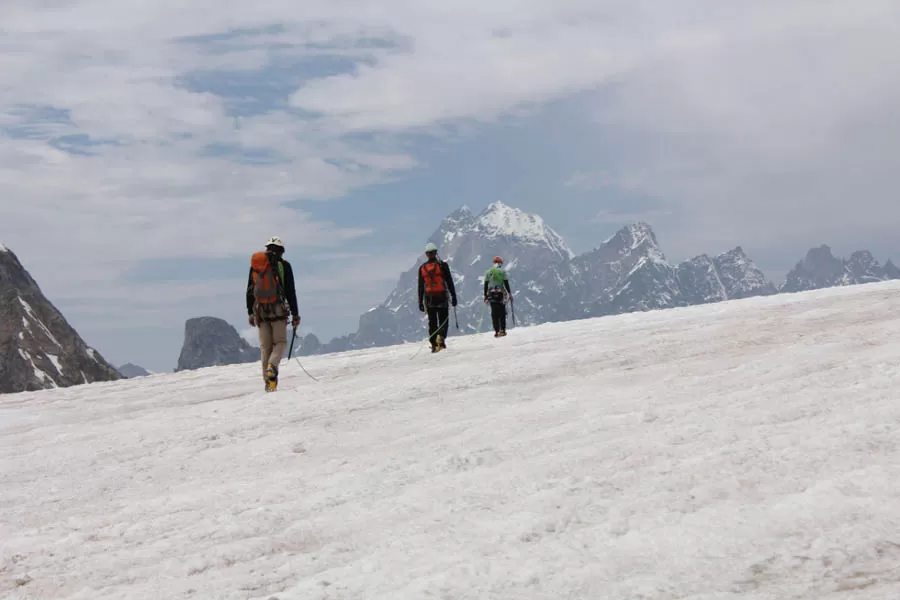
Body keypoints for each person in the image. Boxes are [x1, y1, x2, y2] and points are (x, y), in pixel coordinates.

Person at [246, 236, 300, 391]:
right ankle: (273, 367)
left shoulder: (257, 265)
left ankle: (268, 382)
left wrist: (250, 312)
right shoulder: (284, 266)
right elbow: (290, 292)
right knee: (280, 343)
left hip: (260, 311)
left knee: (265, 347)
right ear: (281, 251)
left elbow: (249, 290)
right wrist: (295, 314)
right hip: (278, 310)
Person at [417, 242, 457, 352]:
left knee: (432, 322)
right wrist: (454, 296)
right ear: (436, 253)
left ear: (426, 254)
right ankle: (441, 337)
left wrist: (420, 302)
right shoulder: (442, 265)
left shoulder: (422, 268)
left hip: (429, 298)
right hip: (441, 296)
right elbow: (449, 281)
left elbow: (420, 286)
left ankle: (434, 344)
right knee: (443, 319)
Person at [484, 256, 512, 337]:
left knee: (494, 313)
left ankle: (496, 331)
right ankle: (502, 330)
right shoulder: (503, 272)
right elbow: (506, 283)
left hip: (491, 295)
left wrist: (485, 296)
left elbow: (486, 285)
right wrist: (509, 293)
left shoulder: (488, 272)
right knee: (502, 313)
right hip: (501, 294)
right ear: (500, 264)